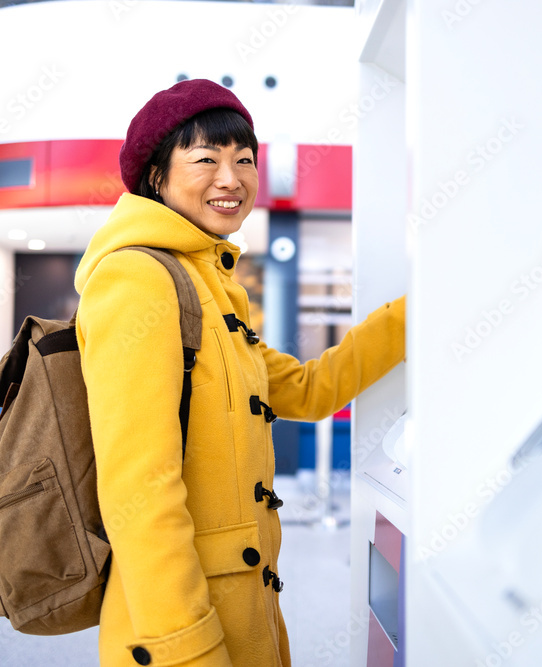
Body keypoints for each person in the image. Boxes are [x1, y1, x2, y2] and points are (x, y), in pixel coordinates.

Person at [74, 78, 405, 667]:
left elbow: (306, 390)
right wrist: (186, 648)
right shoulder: (138, 280)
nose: (231, 178)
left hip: (245, 609)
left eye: (244, 159)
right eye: (206, 158)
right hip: (183, 629)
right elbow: (138, 488)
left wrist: (412, 316)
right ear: (157, 175)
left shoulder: (213, 285)